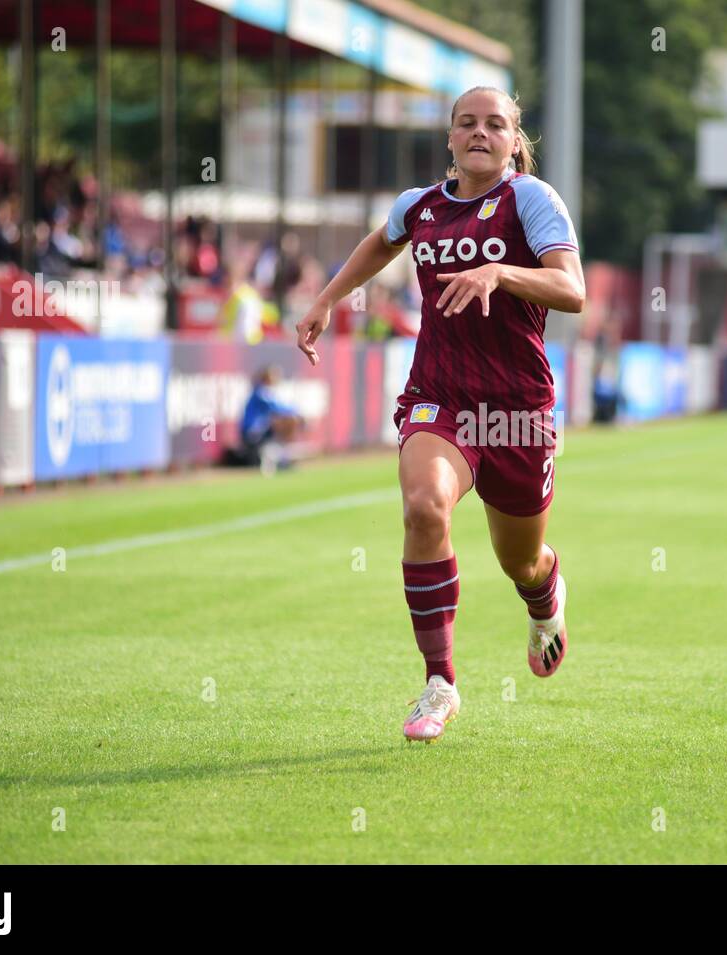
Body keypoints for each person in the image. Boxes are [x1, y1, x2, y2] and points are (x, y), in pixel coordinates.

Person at [295, 85, 585, 742]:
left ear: (515, 141)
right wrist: (328, 298)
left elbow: (573, 291)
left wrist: (501, 273)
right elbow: (381, 241)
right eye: (467, 123)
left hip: (516, 412)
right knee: (425, 507)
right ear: (450, 138)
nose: (480, 133)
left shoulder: (530, 201)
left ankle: (545, 600)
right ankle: (440, 681)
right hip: (440, 396)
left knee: (522, 560)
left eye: (495, 125)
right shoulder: (419, 207)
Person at [230, 366, 302, 474]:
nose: (276, 378)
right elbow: (276, 407)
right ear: (267, 377)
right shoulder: (261, 392)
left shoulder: (265, 392)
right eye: (274, 376)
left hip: (261, 431)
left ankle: (280, 455)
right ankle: (278, 457)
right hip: (252, 433)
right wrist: (297, 412)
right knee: (288, 420)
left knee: (286, 420)